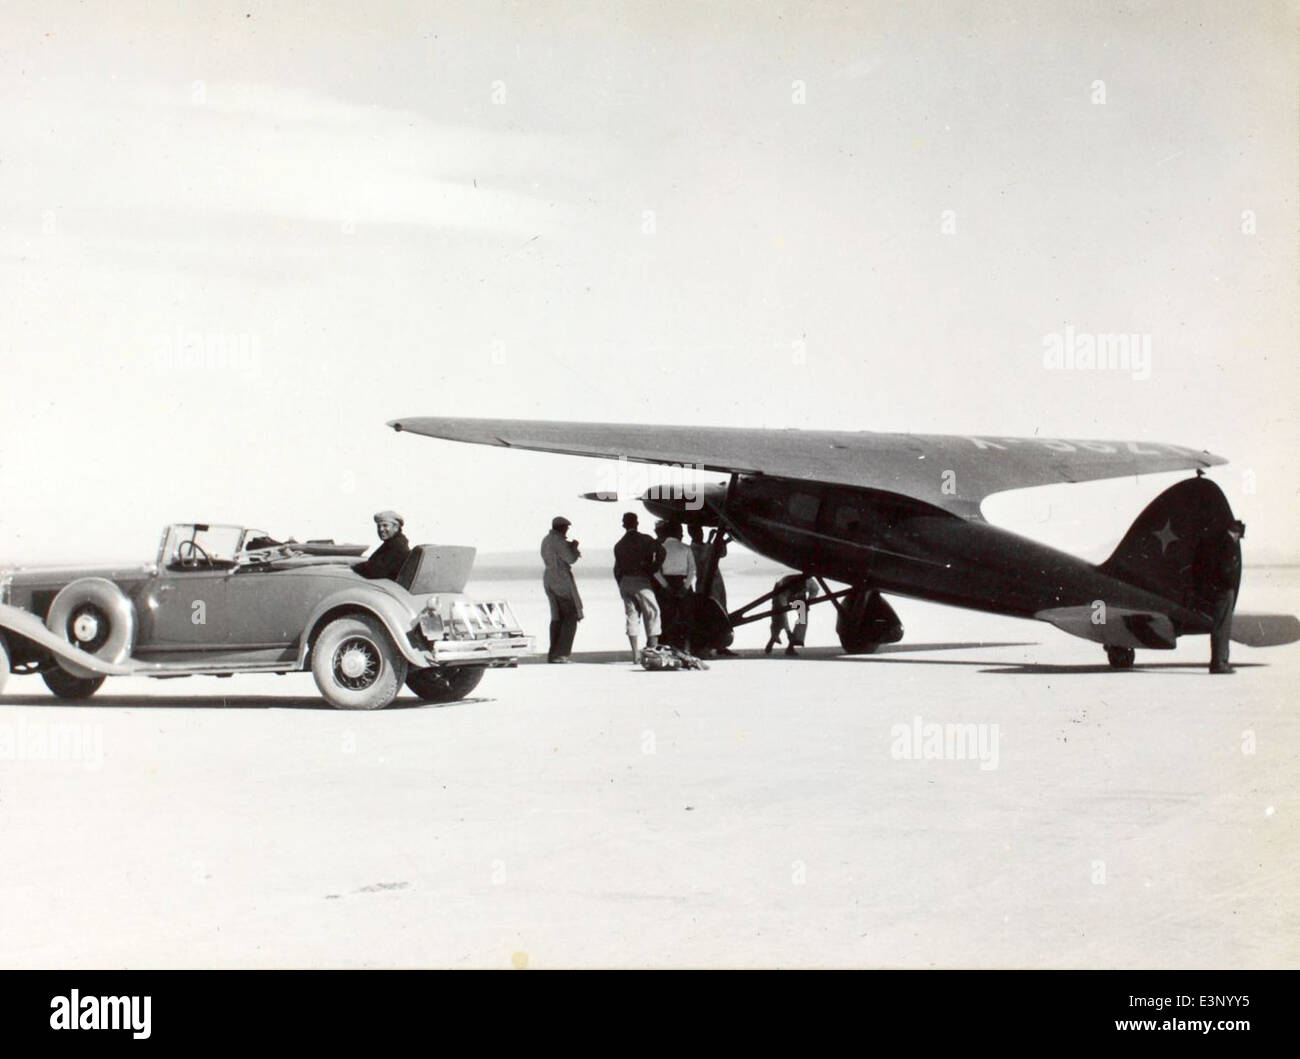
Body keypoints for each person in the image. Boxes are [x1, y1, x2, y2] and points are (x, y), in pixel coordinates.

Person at [1194, 519, 1244, 674]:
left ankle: (1220, 661)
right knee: (1222, 627)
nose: (1238, 538)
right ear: (1235, 532)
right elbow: (1225, 569)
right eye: (1238, 535)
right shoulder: (1228, 545)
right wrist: (1229, 584)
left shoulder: (1217, 543)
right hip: (1224, 591)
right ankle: (1219, 663)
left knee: (1220, 626)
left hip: (1217, 590)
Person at [613, 512, 664, 663]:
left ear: (624, 525)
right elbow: (662, 552)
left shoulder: (619, 545)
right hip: (641, 580)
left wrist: (621, 583)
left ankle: (635, 654)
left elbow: (617, 569)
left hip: (625, 582)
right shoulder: (645, 539)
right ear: (637, 523)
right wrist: (653, 567)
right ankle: (653, 651)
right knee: (653, 613)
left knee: (632, 616)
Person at [688, 522, 736, 657]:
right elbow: (705, 560)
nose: (700, 534)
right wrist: (712, 540)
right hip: (706, 583)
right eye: (697, 532)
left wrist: (723, 541)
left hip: (716, 581)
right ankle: (713, 644)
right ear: (692, 533)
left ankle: (721, 645)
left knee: (722, 609)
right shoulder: (693, 549)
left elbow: (719, 553)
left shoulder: (702, 546)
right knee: (713, 612)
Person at [541, 515, 583, 663]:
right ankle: (561, 654)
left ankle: (553, 653)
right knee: (570, 616)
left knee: (556, 617)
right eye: (565, 528)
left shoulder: (546, 540)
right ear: (561, 528)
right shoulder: (559, 541)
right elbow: (570, 558)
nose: (566, 531)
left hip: (549, 578)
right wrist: (574, 548)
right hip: (560, 579)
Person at [652, 520, 696, 650]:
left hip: (666, 583)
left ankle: (668, 647)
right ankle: (687, 648)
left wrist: (665, 586)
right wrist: (685, 587)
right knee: (687, 617)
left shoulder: (660, 548)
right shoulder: (686, 548)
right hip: (683, 583)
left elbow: (655, 571)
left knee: (667, 618)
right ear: (678, 533)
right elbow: (692, 570)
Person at [765, 573, 820, 656]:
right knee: (777, 617)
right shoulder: (782, 590)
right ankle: (773, 638)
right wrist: (788, 632)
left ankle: (791, 646)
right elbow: (783, 615)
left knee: (803, 617)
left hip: (799, 596)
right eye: (795, 592)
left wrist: (809, 601)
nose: (796, 595)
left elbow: (815, 590)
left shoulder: (809, 582)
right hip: (782, 593)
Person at [352, 510, 411, 580]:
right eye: (379, 526)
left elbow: (375, 571)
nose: (381, 529)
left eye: (385, 525)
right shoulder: (391, 542)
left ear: (396, 527)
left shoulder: (397, 545)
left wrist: (355, 567)